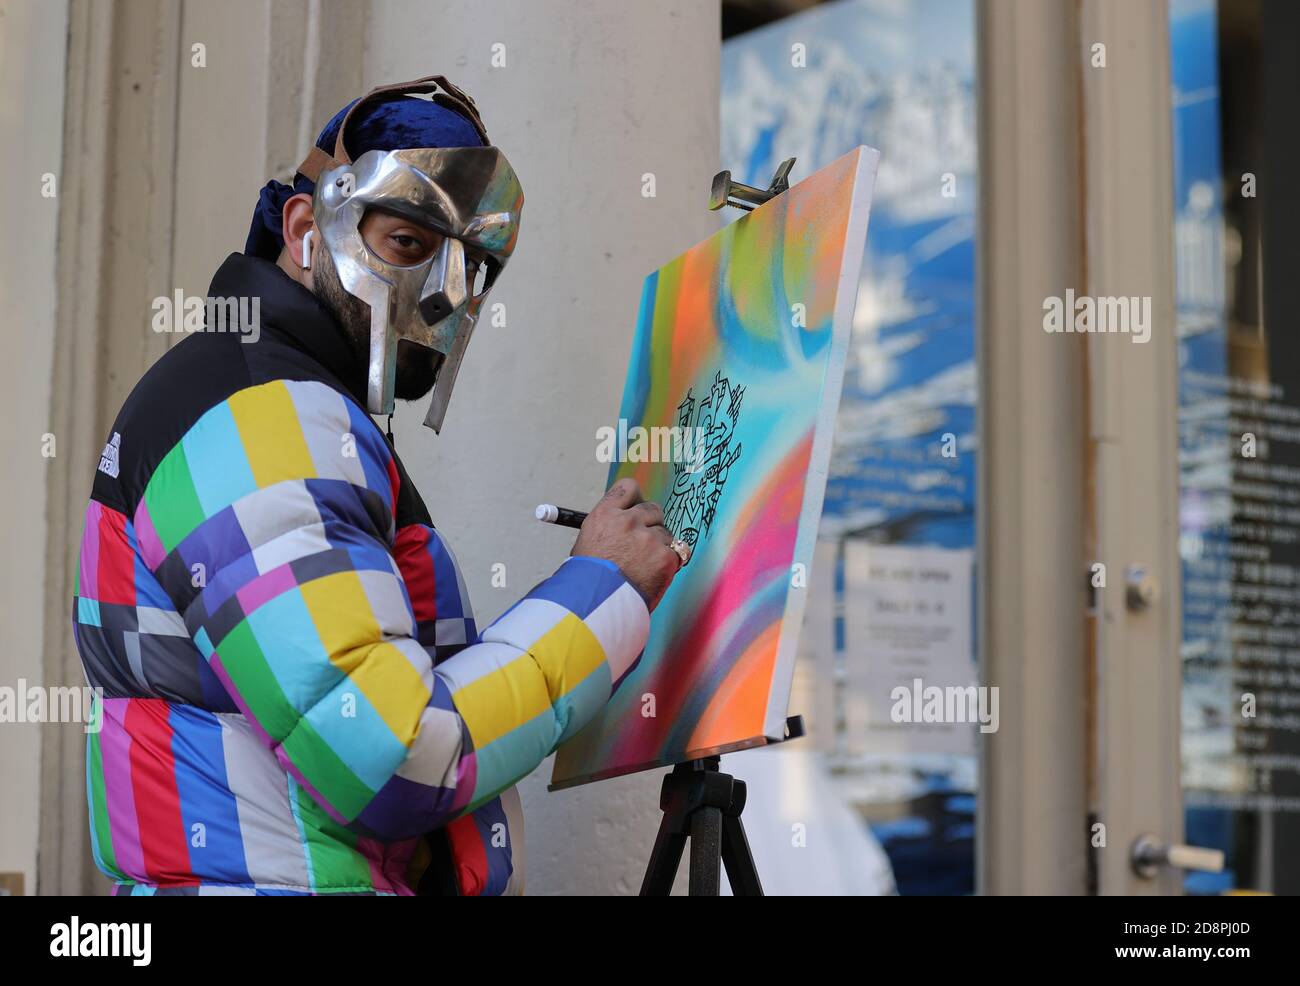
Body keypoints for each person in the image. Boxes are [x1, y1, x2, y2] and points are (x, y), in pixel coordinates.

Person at [72, 74, 683, 895]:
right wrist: (598, 593)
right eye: (408, 242)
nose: (442, 293)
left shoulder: (268, 397)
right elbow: (390, 755)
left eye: (472, 266)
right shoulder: (263, 415)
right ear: (305, 229)